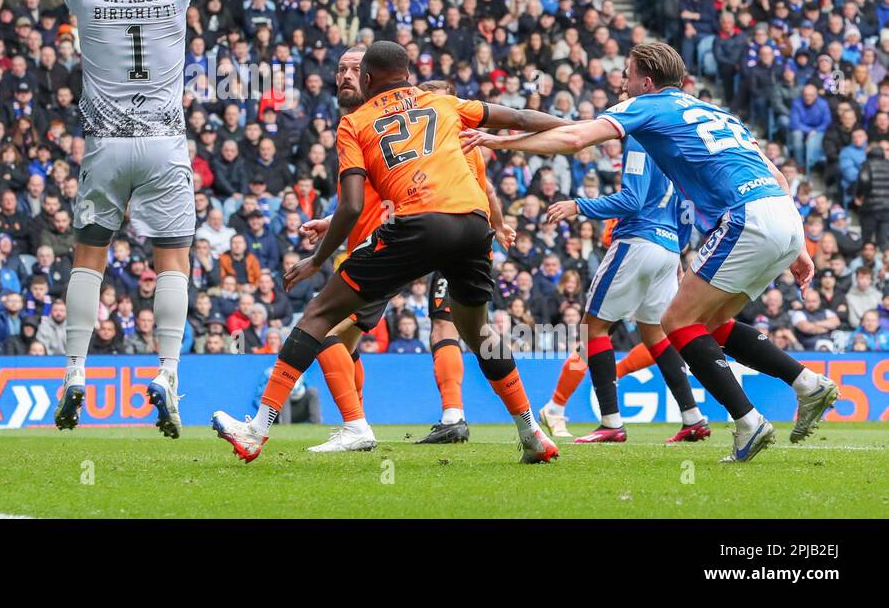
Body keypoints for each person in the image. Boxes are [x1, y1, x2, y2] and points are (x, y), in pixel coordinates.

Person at [462, 41, 839, 463]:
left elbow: (573, 138)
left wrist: (497, 143)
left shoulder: (648, 107)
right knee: (712, 323)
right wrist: (799, 247)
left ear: (646, 80)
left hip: (742, 218)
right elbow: (776, 175)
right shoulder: (714, 112)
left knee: (675, 321)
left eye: (626, 73)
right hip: (780, 215)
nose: (622, 81)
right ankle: (806, 382)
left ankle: (748, 421)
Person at [212, 40, 560, 465]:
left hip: (418, 227)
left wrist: (318, 259)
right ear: (408, 71)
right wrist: (584, 125)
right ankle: (531, 432)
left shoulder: (355, 122)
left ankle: (257, 429)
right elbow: (521, 117)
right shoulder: (442, 101)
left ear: (367, 78)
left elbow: (353, 204)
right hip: (473, 224)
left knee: (319, 316)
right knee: (477, 332)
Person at [53, 0, 195, 439]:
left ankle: (76, 372)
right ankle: (165, 373)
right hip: (164, 145)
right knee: (173, 260)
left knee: (89, 255)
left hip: (107, 144)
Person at [536, 136, 710, 444]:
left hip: (638, 243)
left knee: (592, 332)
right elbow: (688, 212)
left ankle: (609, 422)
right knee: (657, 335)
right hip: (669, 250)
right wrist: (680, 253)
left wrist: (578, 205)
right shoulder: (681, 155)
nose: (622, 95)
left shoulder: (641, 139)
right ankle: (692, 418)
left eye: (624, 89)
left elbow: (631, 200)